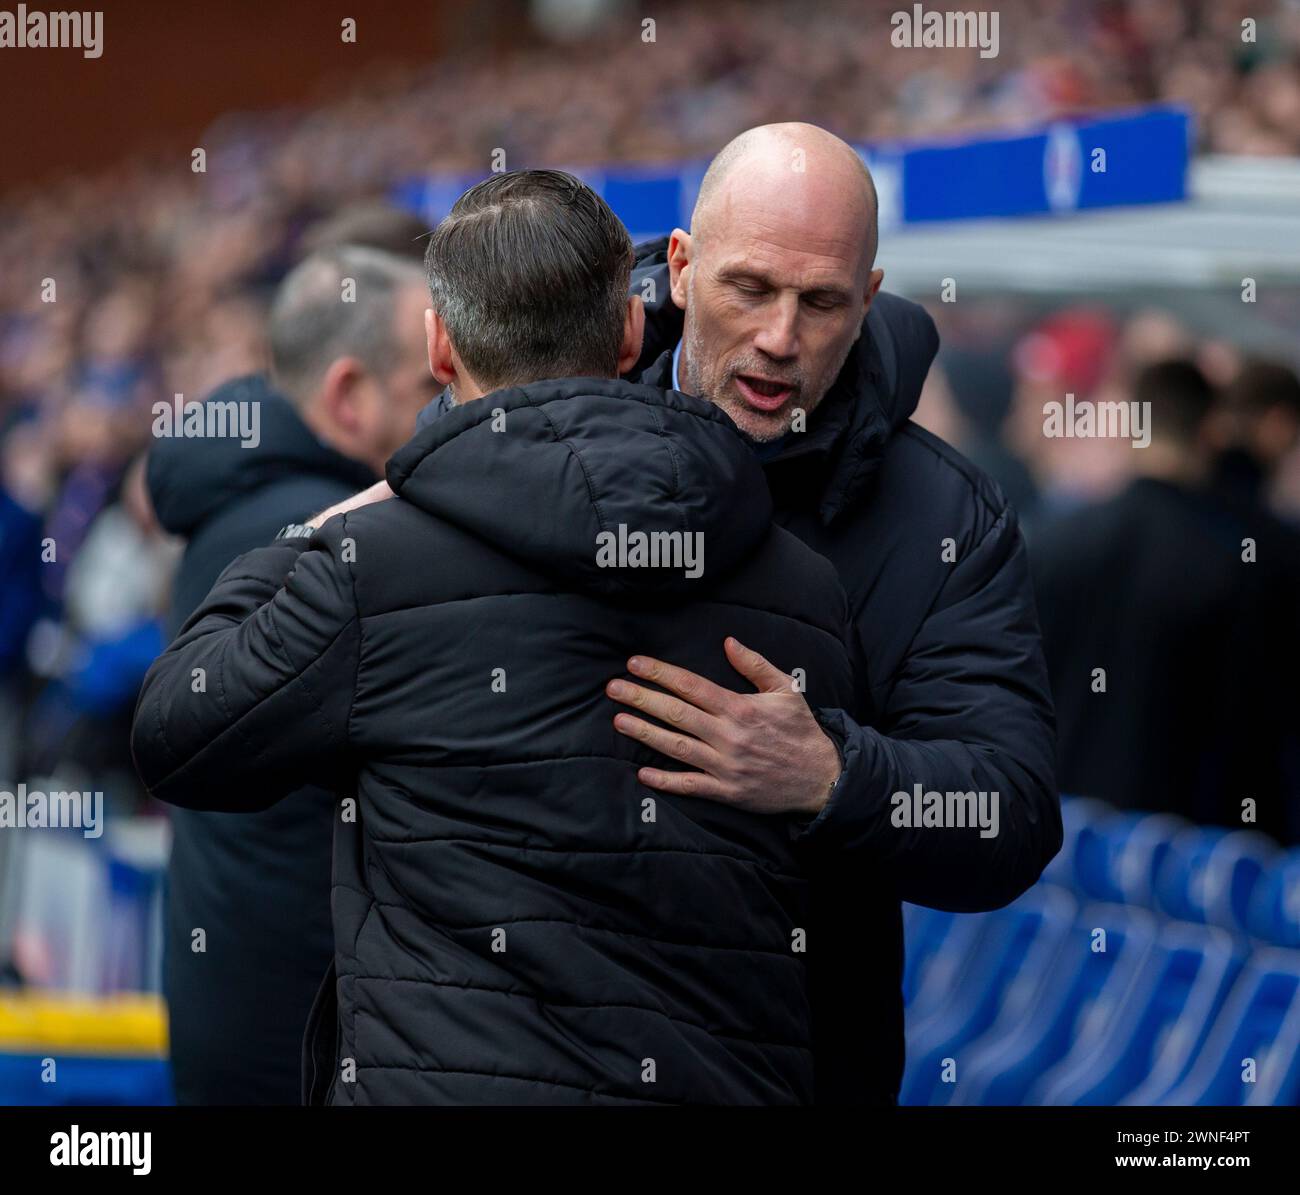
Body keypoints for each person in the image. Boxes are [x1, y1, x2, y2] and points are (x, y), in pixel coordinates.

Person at [132, 169, 858, 1105]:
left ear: (439, 345)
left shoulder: (368, 567)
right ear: (630, 331)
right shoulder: (804, 584)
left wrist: (321, 529)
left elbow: (174, 730)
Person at [605, 123, 1061, 1104]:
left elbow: (1009, 813)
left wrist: (830, 778)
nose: (780, 337)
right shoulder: (548, 425)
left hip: (793, 1071)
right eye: (749, 288)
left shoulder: (945, 517)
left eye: (819, 303)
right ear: (680, 268)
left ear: (868, 297)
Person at [147, 245, 435, 1105]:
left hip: (241, 999)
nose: (456, 412)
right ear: (348, 394)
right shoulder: (320, 537)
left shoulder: (250, 500)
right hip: (293, 1028)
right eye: (430, 389)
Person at [1033, 359, 1299, 842]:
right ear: (1210, 432)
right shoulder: (1232, 568)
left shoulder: (1055, 543)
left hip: (1059, 832)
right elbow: (1252, 731)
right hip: (1175, 850)